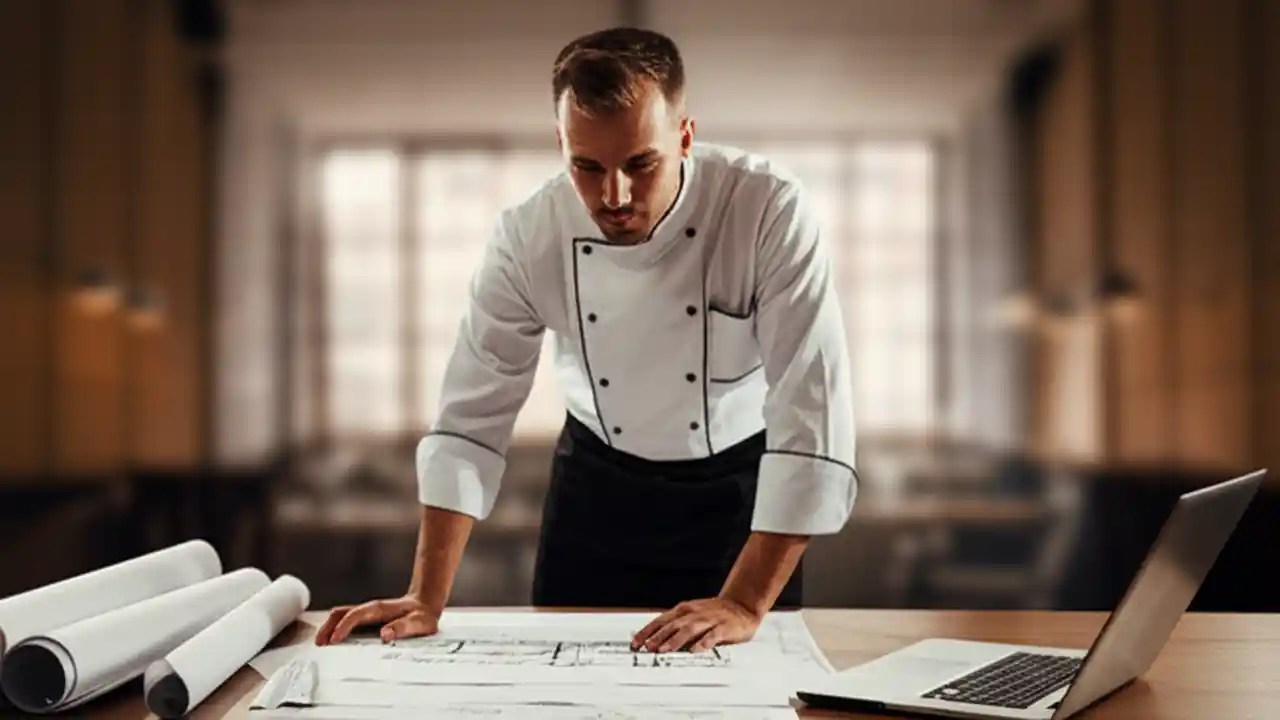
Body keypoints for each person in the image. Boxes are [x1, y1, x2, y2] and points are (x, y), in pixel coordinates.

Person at [315, 27, 856, 654]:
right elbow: (470, 419)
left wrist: (743, 601)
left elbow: (810, 411)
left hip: (740, 502)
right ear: (561, 144)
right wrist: (424, 597)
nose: (614, 195)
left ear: (685, 137)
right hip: (595, 499)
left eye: (641, 164)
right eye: (587, 167)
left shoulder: (766, 209)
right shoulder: (529, 235)